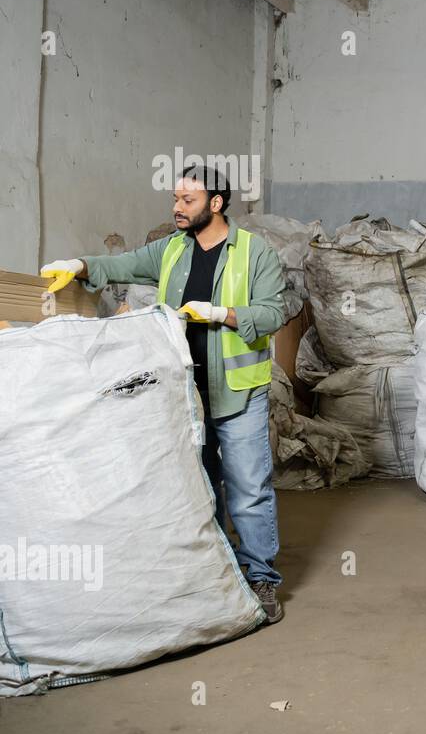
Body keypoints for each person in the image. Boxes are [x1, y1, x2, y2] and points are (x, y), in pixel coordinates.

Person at [41, 164, 289, 624]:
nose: (177, 207)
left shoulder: (256, 253)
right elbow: (126, 263)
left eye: (188, 200)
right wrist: (81, 265)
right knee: (202, 486)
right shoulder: (173, 249)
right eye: (175, 198)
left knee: (249, 490)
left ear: (216, 203)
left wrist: (222, 313)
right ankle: (221, 572)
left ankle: (262, 578)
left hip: (238, 391)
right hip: (188, 393)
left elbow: (276, 311)